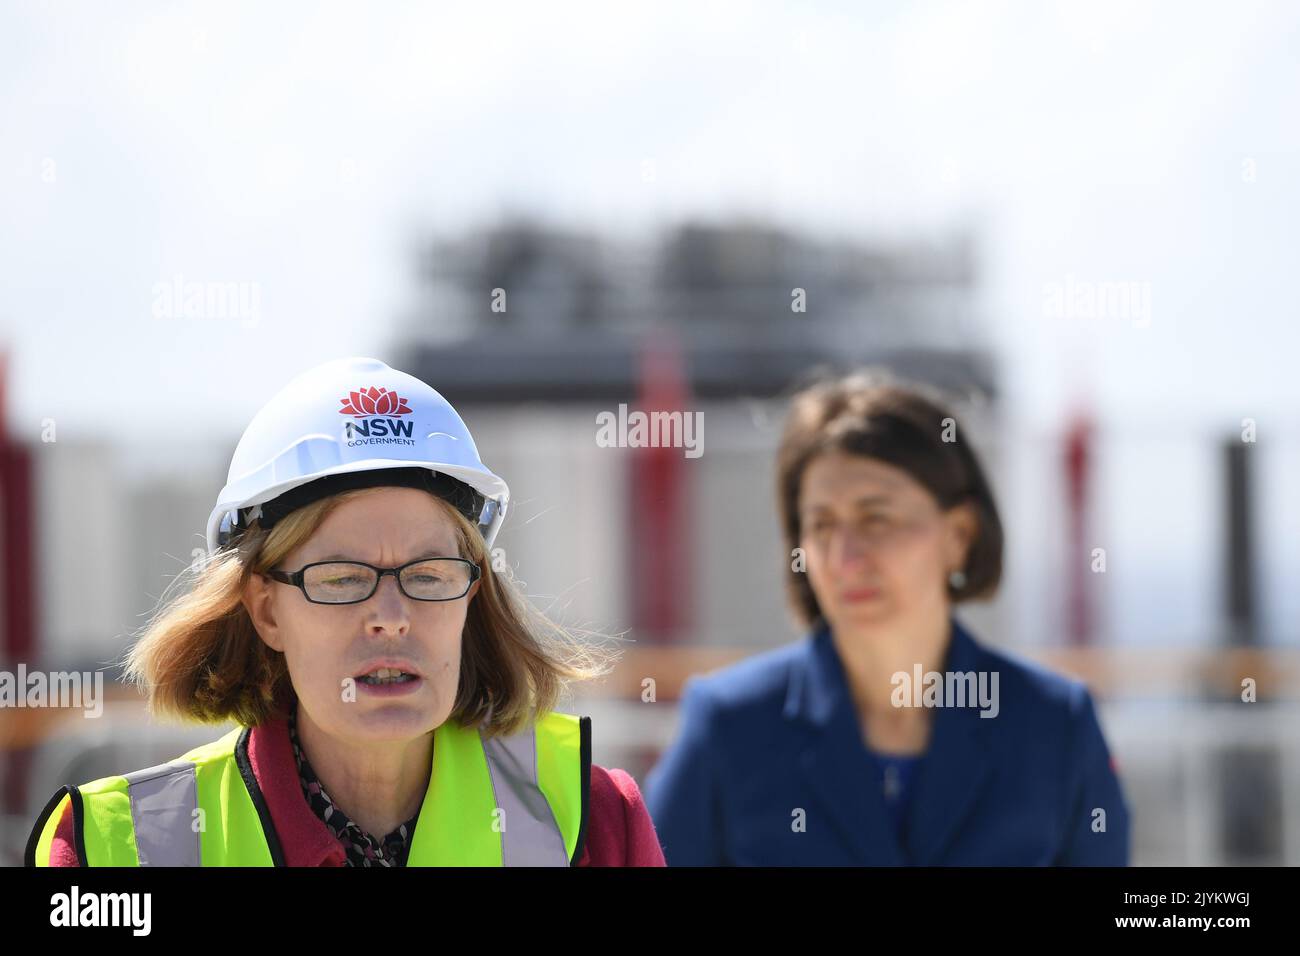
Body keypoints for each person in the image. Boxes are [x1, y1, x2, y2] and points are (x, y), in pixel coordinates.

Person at [27, 356, 665, 867]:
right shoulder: (112, 851)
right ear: (266, 611)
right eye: (342, 579)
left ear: (471, 595)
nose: (391, 617)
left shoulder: (595, 826)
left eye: (428, 575)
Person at [645, 371, 1130, 865]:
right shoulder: (729, 725)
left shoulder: (1055, 727)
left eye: (876, 519)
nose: (845, 558)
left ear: (959, 535)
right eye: (821, 525)